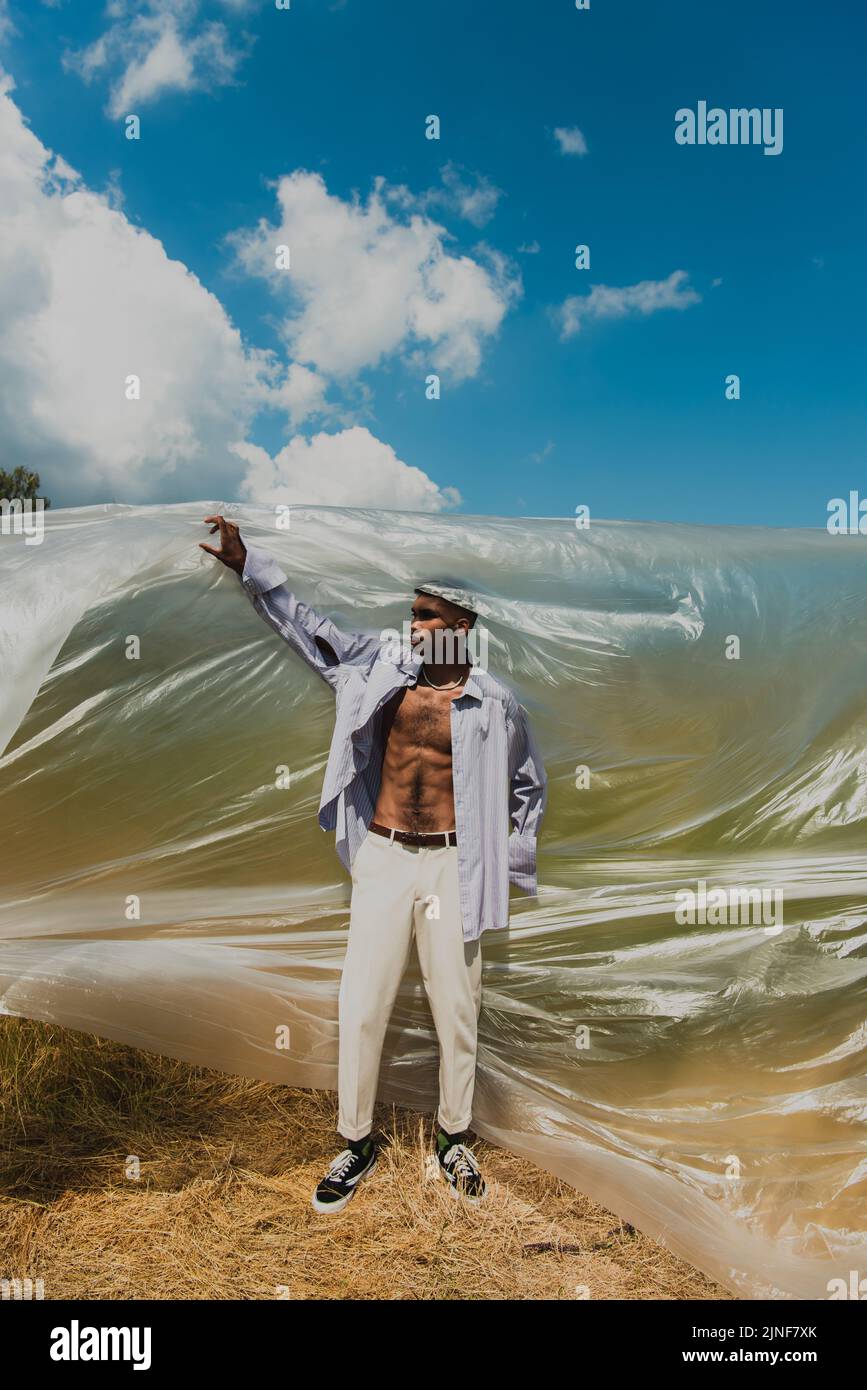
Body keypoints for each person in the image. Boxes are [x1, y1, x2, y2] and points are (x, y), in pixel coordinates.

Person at [200, 515, 547, 1212]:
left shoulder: (494, 704)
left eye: (426, 616)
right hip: (385, 857)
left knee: (456, 1008)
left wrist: (506, 861)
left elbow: (528, 786)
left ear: (461, 623)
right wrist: (248, 566)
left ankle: (453, 1140)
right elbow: (304, 628)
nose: (412, 626)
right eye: (411, 614)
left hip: (454, 868)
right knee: (362, 1004)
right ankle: (355, 1142)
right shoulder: (376, 669)